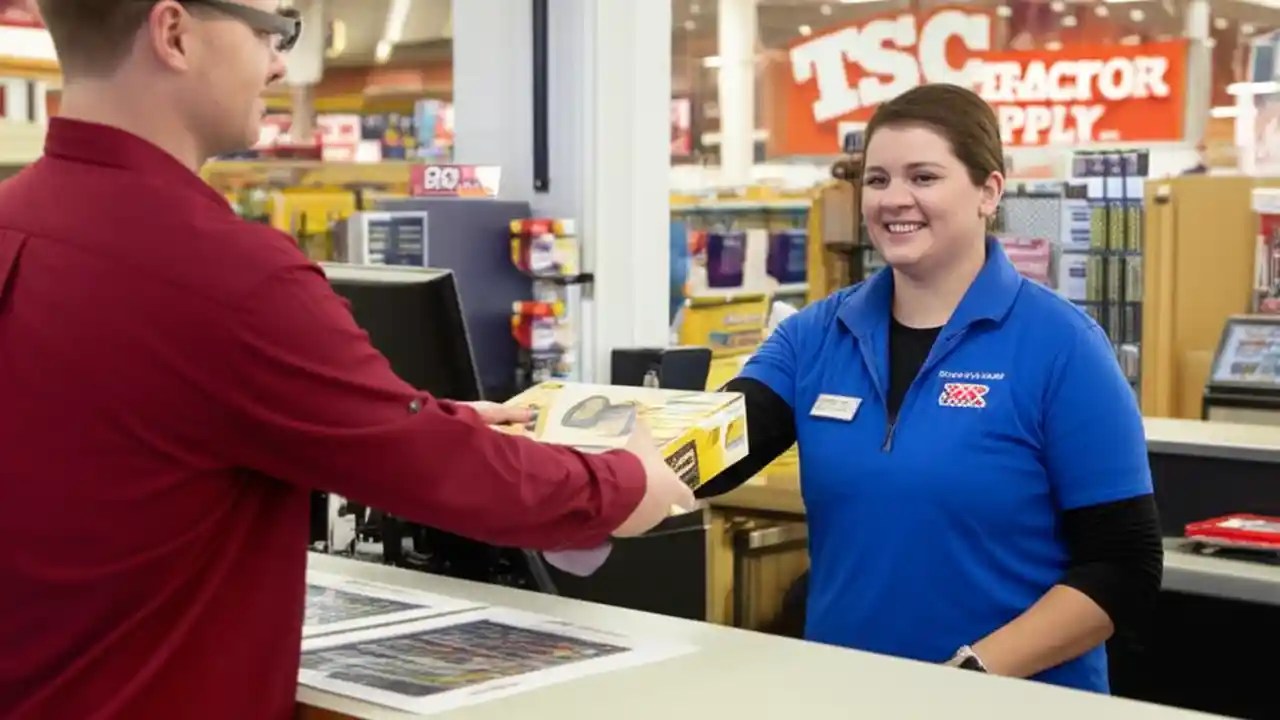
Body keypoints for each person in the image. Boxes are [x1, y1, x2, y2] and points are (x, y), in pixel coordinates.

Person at [0, 1, 693, 718]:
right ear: (174, 33)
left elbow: (143, 423)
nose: (277, 62)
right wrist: (620, 484)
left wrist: (427, 418)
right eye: (272, 30)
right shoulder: (224, 274)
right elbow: (436, 472)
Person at [696, 83, 1163, 693]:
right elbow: (705, 453)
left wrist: (968, 676)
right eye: (879, 179)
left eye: (924, 177)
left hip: (1011, 700)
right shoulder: (815, 335)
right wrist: (572, 453)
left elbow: (1122, 565)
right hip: (848, 695)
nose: (895, 200)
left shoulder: (1064, 346)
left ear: (988, 192)